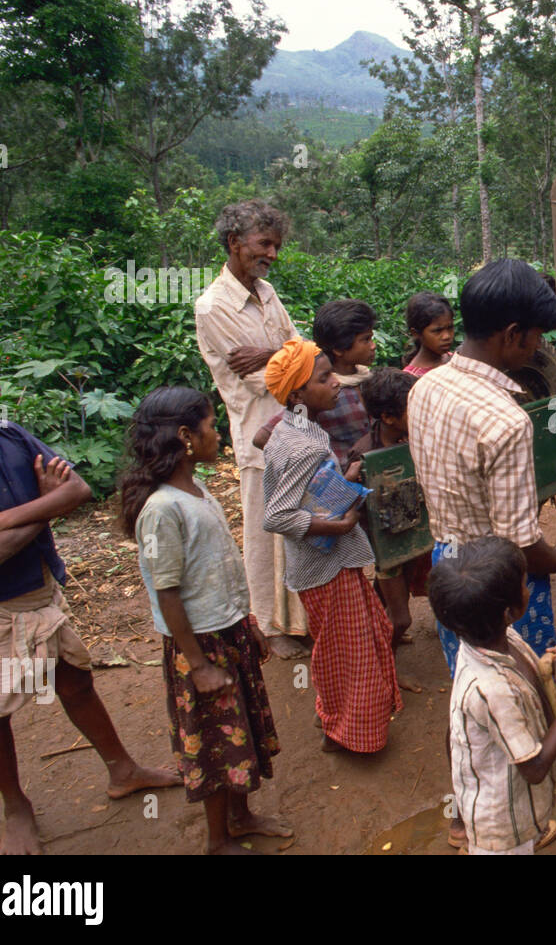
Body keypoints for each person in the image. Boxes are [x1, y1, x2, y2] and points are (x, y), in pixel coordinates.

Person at [0, 324, 179, 854]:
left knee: (76, 681)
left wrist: (4, 519)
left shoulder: (5, 431)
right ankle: (16, 805)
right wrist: (45, 506)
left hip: (38, 588)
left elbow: (76, 487)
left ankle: (122, 770)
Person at [408, 257, 556, 850]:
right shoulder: (507, 422)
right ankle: (509, 823)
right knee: (520, 700)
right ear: (512, 336)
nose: (539, 348)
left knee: (468, 696)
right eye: (537, 338)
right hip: (495, 574)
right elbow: (520, 545)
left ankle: (464, 813)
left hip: (448, 564)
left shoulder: (426, 384)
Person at [122, 386, 290, 854]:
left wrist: (248, 622)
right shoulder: (161, 510)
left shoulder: (197, 490)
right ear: (185, 436)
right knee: (217, 743)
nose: (218, 435)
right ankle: (217, 839)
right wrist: (197, 664)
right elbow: (167, 590)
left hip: (227, 632)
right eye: (212, 426)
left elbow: (223, 568)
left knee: (239, 734)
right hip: (199, 645)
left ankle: (240, 816)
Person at [261, 339, 402, 753]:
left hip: (326, 564)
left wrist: (345, 475)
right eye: (323, 378)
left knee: (346, 648)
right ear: (297, 394)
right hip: (326, 566)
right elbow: (279, 516)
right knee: (352, 654)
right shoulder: (303, 445)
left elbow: (311, 492)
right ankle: (351, 736)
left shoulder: (295, 430)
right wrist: (340, 528)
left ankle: (339, 722)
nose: (336, 382)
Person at [195, 199, 308, 659]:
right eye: (265, 244)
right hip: (258, 433)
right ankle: (270, 626)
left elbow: (297, 349)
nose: (273, 254)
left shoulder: (266, 292)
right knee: (264, 534)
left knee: (298, 525)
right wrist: (280, 357)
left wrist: (271, 353)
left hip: (294, 426)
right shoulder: (212, 306)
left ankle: (300, 619)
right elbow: (268, 379)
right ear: (234, 243)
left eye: (277, 245)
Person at [428, 535, 556, 855]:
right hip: (500, 825)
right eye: (526, 585)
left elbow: (532, 691)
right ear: (511, 610)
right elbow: (536, 767)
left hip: (508, 798)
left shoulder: (497, 637)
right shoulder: (491, 690)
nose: (529, 589)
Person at [348, 367, 428, 647]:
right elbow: (355, 507)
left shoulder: (412, 438)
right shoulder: (364, 456)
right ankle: (384, 669)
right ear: (388, 417)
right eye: (413, 409)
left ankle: (380, 639)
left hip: (410, 538)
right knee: (400, 618)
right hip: (387, 547)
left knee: (393, 600)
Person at [252, 298, 376, 466]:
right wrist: (319, 470)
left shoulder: (366, 380)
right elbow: (263, 437)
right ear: (339, 348)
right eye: (366, 339)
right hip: (341, 484)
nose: (373, 345)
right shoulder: (318, 394)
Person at [401, 292, 455, 377]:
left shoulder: (454, 360)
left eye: (450, 327)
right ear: (416, 333)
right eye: (437, 330)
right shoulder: (411, 377)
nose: (447, 336)